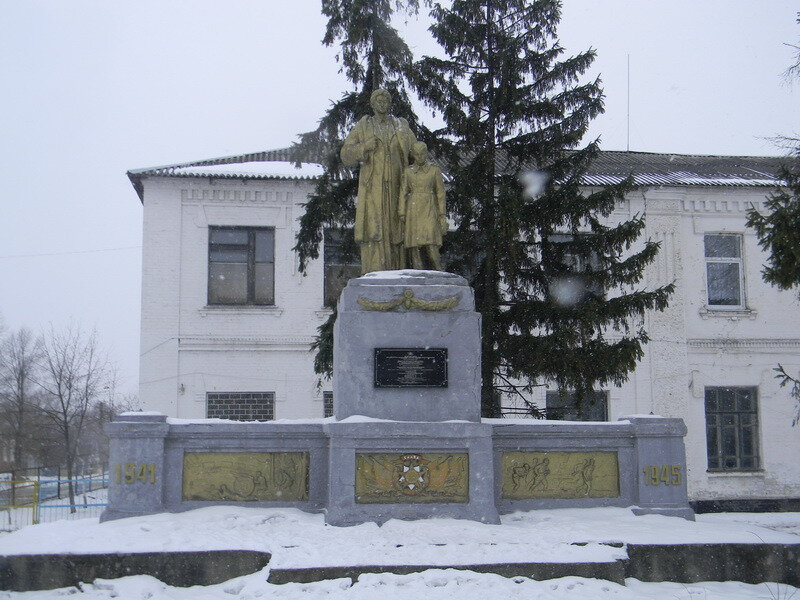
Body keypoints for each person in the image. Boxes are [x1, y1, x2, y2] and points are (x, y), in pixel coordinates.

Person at [341, 88, 417, 273]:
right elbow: (346, 154)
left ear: (390, 104)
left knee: (397, 228)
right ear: (372, 104)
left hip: (398, 186)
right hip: (373, 187)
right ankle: (375, 269)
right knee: (375, 228)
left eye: (385, 101)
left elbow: (416, 151)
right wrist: (364, 147)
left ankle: (397, 270)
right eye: (378, 101)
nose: (382, 104)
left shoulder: (400, 126)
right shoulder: (364, 126)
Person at [399, 142, 447, 270]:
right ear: (413, 155)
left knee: (431, 241)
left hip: (429, 207)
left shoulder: (434, 170)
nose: (420, 157)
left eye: (422, 153)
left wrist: (442, 214)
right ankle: (417, 271)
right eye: (417, 154)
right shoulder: (408, 172)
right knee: (414, 245)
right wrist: (402, 212)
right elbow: (403, 192)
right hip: (413, 209)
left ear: (426, 153)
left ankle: (438, 269)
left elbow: (440, 193)